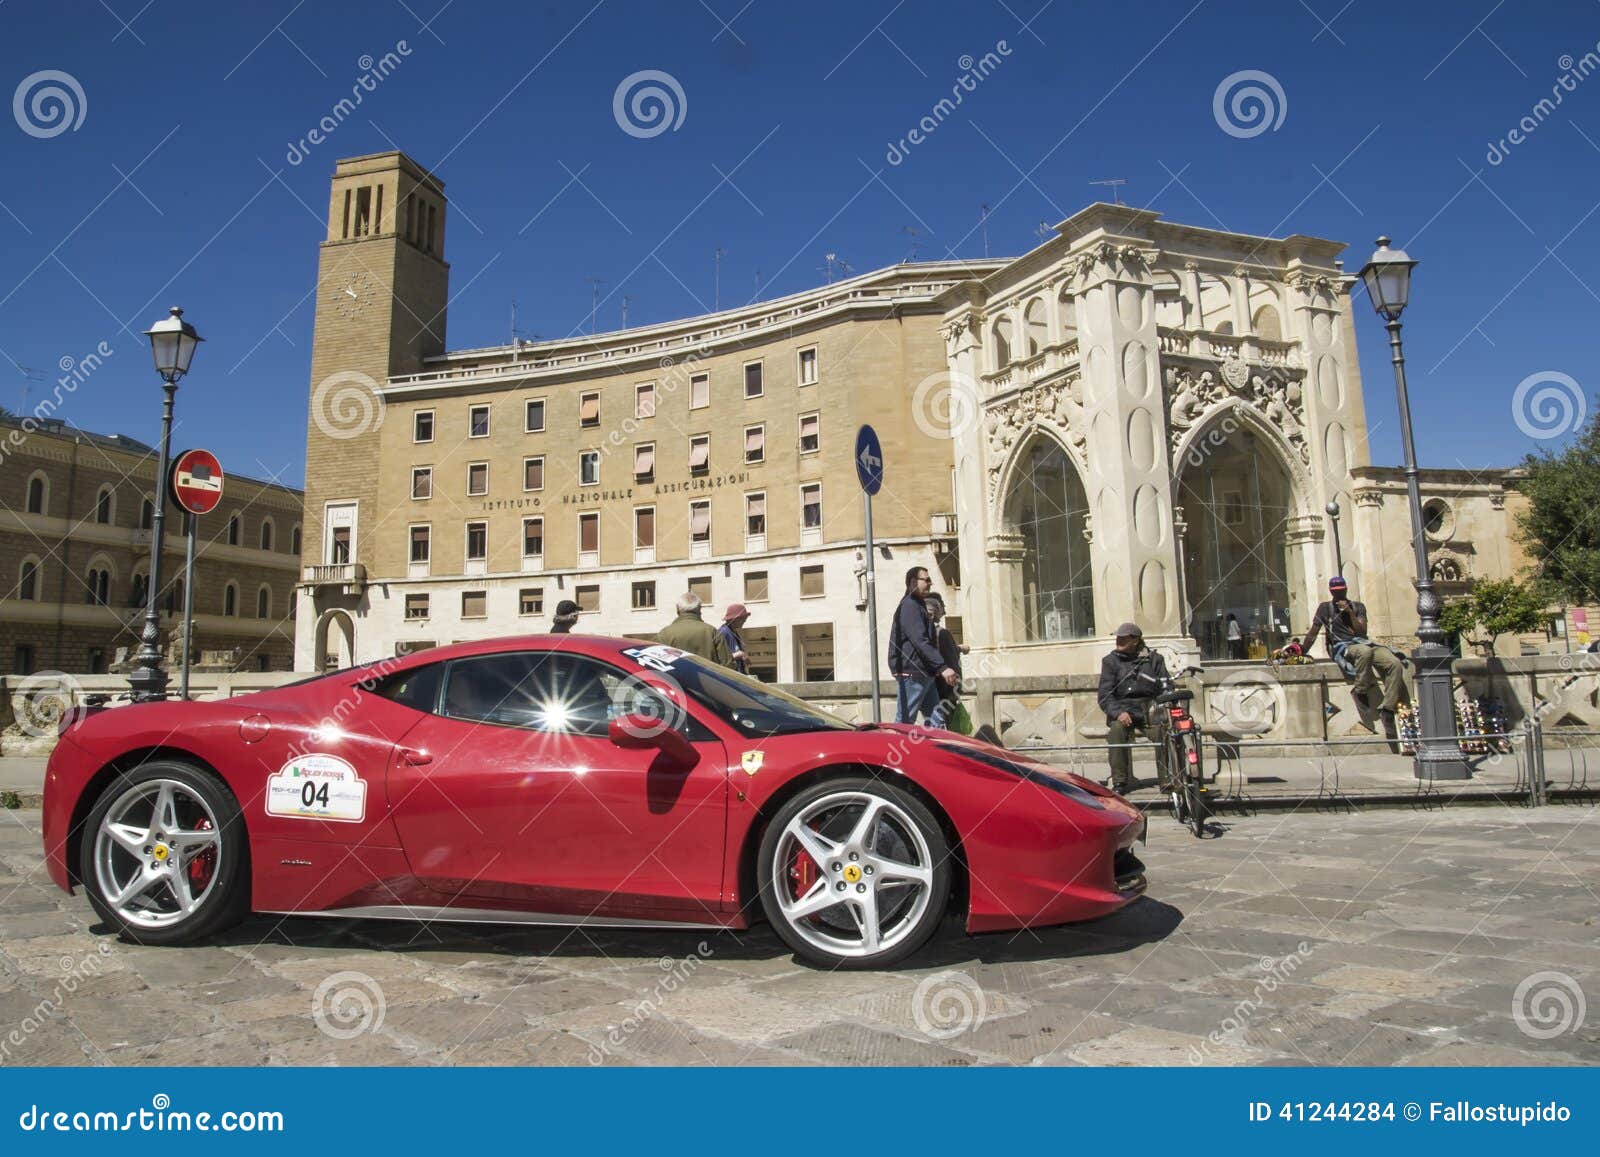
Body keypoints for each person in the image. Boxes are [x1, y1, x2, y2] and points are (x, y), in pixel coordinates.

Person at [1298, 576, 1407, 738]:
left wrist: (1350, 612)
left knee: (1395, 663)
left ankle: (1388, 709)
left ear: (1346, 589)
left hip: (1362, 642)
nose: (1338, 595)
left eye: (1341, 591)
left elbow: (1361, 631)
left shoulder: (1358, 607)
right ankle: (1360, 690)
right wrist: (1301, 651)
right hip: (1342, 646)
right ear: (1330, 592)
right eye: (1335, 592)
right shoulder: (1325, 608)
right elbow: (1313, 632)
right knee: (1364, 652)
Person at [1096, 622, 1172, 795]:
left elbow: (1166, 686)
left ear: (1136, 640)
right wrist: (1118, 713)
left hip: (1149, 710)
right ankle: (1119, 781)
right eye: (1118, 637)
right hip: (1124, 709)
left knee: (1165, 732)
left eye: (1123, 638)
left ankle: (1167, 779)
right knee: (1116, 731)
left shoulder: (1154, 659)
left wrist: (1164, 702)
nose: (1119, 640)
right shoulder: (1110, 661)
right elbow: (1105, 696)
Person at [886, 566, 956, 725]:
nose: (931, 583)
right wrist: (943, 667)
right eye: (926, 580)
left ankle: (936, 749)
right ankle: (892, 750)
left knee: (936, 722)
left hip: (924, 672)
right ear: (912, 583)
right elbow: (920, 640)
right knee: (904, 722)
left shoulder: (917, 605)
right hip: (913, 672)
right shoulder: (909, 605)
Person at [924, 592, 971, 732]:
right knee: (941, 728)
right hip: (944, 689)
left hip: (927, 687)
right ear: (934, 613)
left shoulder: (921, 635)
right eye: (942, 605)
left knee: (930, 725)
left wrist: (957, 648)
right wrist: (957, 689)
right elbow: (951, 662)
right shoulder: (942, 633)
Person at [657, 592, 733, 665]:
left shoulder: (664, 634)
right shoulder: (712, 631)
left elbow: (655, 665)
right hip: (709, 678)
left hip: (675, 678)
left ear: (677, 609)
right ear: (699, 609)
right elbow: (728, 664)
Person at [716, 603, 751, 676]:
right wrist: (738, 654)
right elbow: (720, 659)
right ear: (736, 618)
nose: (745, 620)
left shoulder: (733, 632)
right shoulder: (723, 632)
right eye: (743, 618)